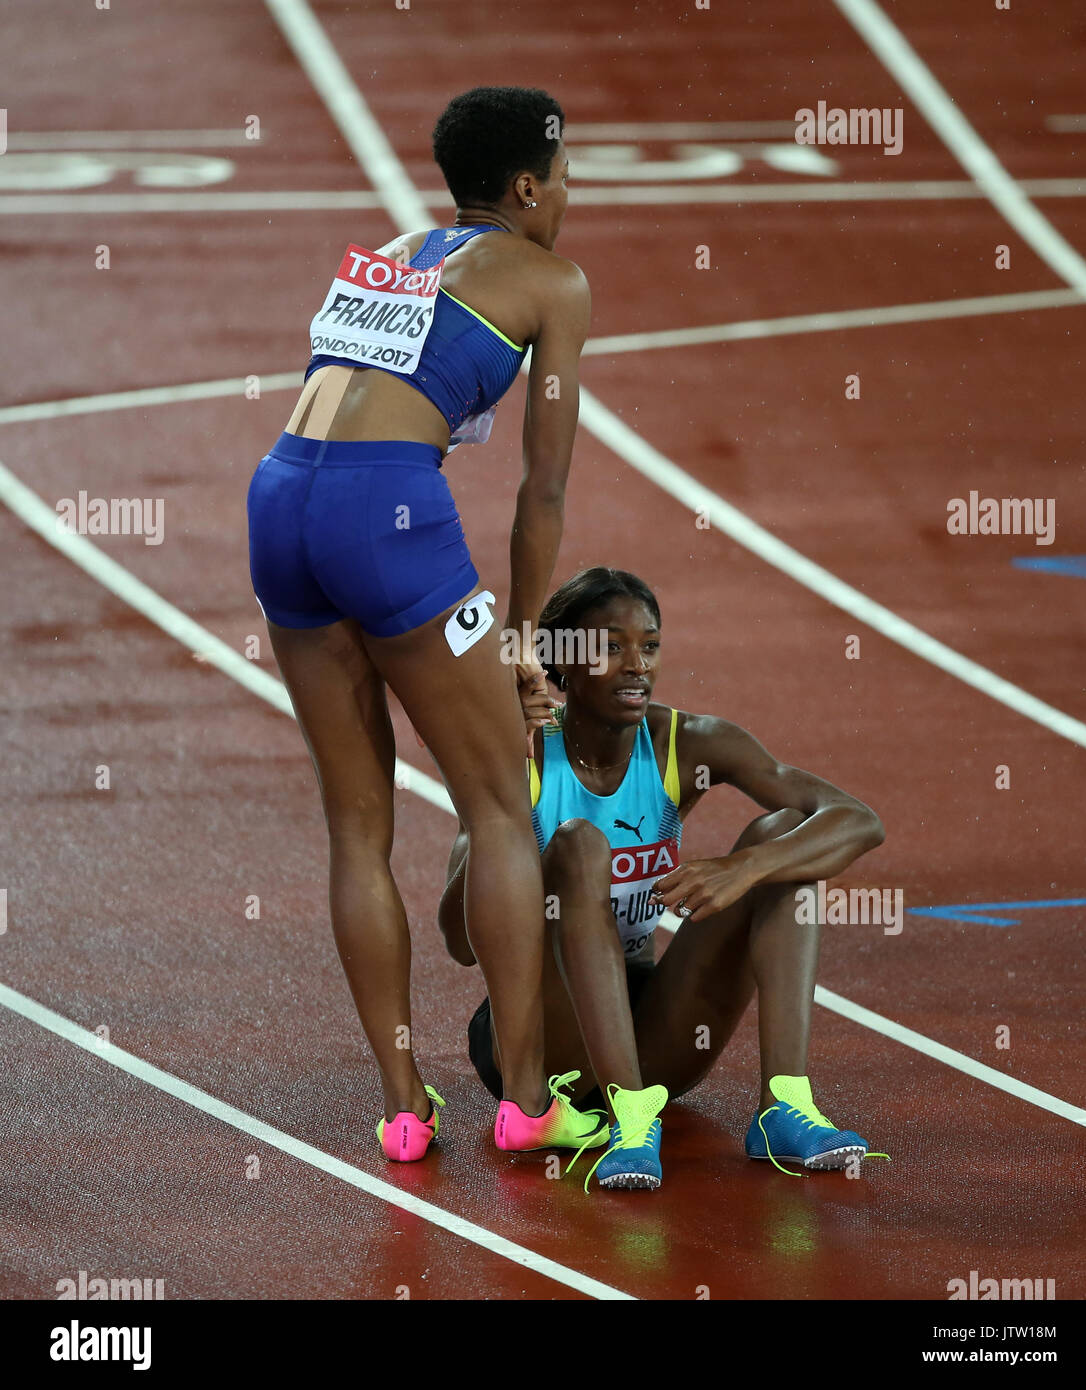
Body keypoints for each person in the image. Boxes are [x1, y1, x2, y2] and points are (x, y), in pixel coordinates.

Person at [246, 87, 604, 1162]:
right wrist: (526, 641)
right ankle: (529, 1103)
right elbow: (542, 492)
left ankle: (405, 1108)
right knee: (499, 802)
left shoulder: (398, 245)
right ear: (529, 185)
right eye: (569, 172)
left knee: (358, 826)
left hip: (279, 495)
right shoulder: (552, 281)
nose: (574, 193)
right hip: (384, 506)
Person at [439, 568, 888, 1190]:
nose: (636, 666)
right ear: (560, 667)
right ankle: (626, 1117)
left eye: (648, 646)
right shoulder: (526, 754)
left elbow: (857, 821)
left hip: (649, 1027)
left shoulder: (686, 742)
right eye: (610, 648)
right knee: (578, 845)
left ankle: (784, 1105)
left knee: (786, 838)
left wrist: (746, 867)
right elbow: (460, 944)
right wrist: (503, 786)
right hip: (540, 1044)